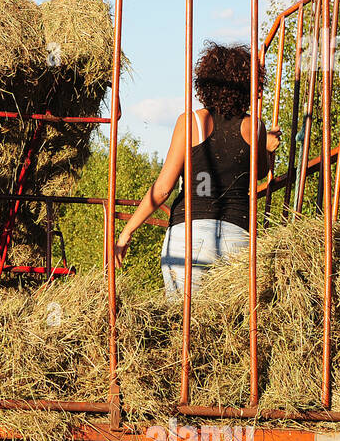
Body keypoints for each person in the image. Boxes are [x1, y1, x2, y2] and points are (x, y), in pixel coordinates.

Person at [114, 41, 281, 299]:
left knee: (186, 327)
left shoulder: (191, 122)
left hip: (189, 238)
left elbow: (162, 190)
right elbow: (258, 173)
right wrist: (267, 148)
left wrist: (126, 232)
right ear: (248, 86)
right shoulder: (256, 127)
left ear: (207, 83)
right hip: (239, 238)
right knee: (230, 331)